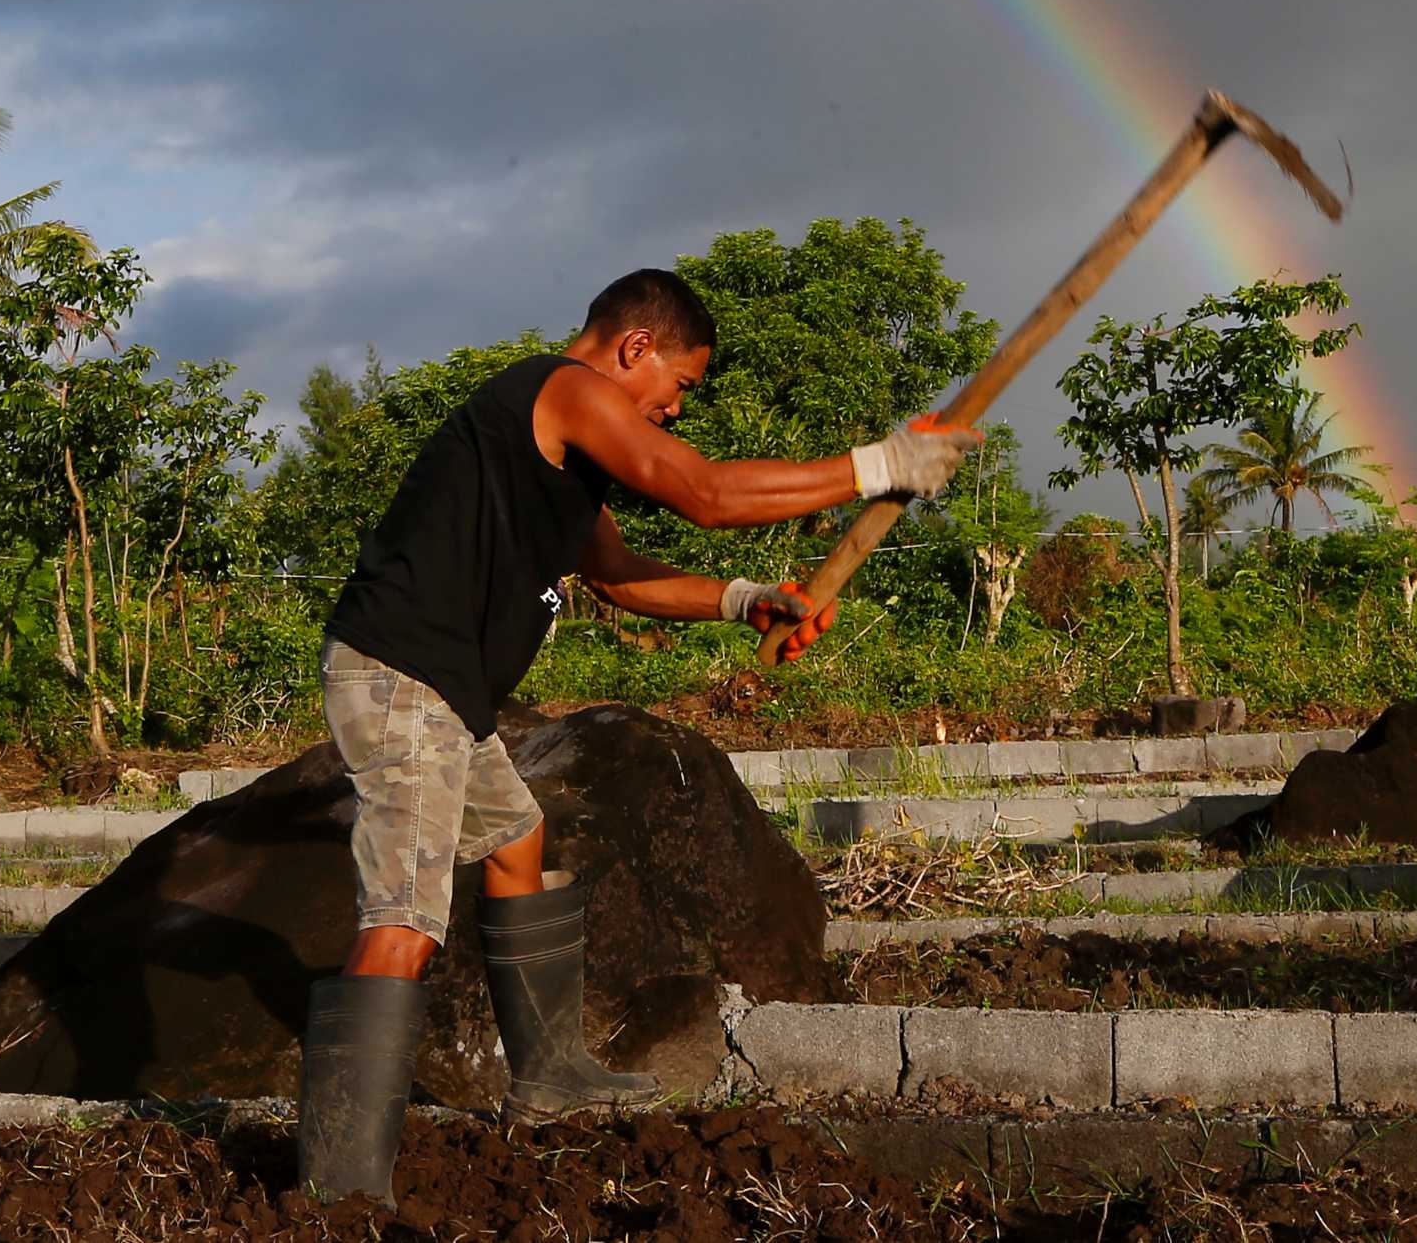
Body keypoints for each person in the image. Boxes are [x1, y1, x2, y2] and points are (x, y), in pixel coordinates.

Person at [299, 267, 977, 1204]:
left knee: (516, 839)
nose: (675, 407)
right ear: (634, 347)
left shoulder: (563, 458)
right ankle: (336, 1190)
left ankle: (546, 1076)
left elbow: (616, 574)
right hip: (403, 677)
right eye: (680, 384)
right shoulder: (565, 389)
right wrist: (879, 467)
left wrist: (742, 599)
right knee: (407, 918)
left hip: (444, 691)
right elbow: (702, 490)